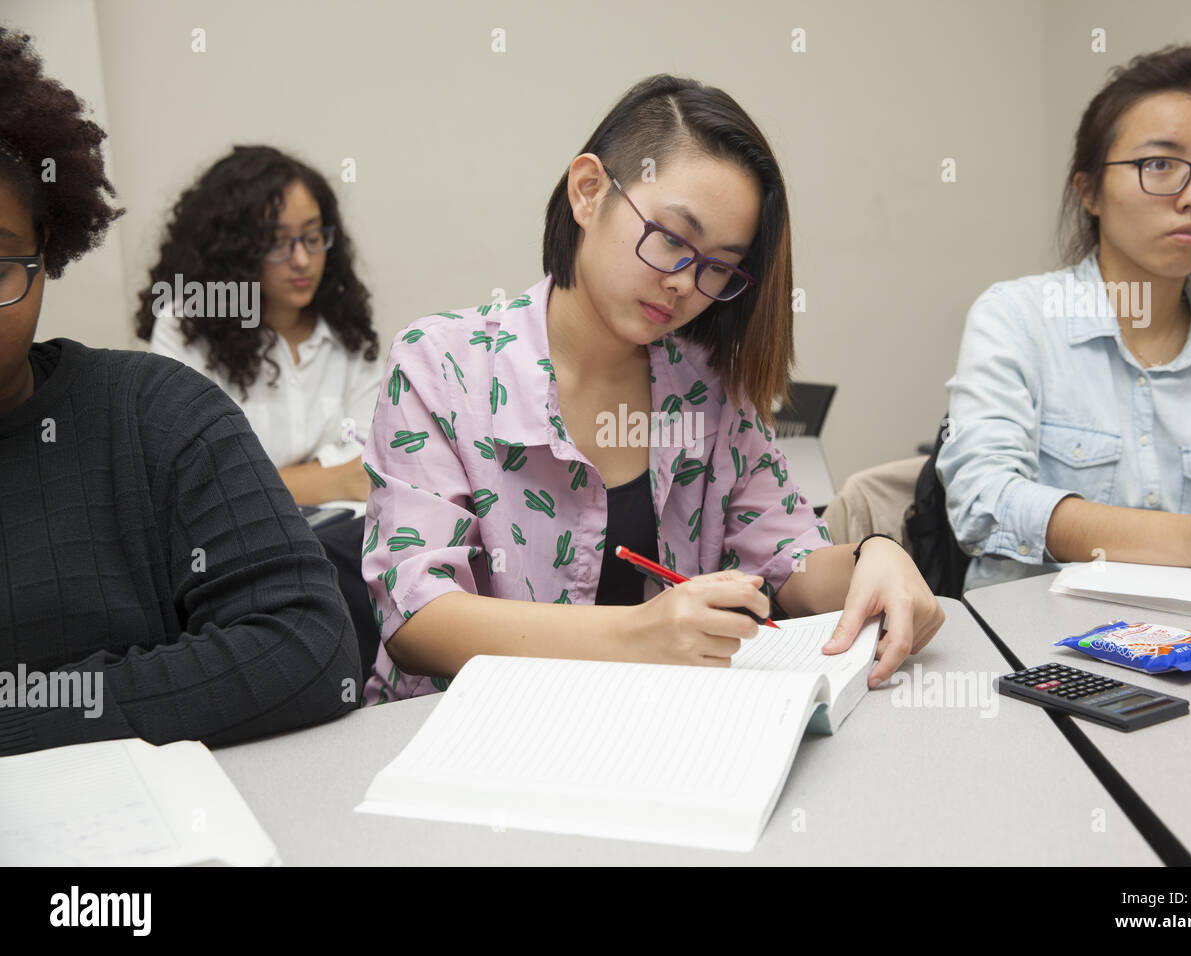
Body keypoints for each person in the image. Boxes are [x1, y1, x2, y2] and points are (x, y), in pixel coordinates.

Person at [360, 74, 944, 704]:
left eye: (718, 266)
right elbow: (418, 618)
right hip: (457, 737)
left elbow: (790, 562)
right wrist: (636, 634)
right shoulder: (443, 367)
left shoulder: (708, 388)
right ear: (588, 192)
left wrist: (875, 558)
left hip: (652, 733)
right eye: (671, 238)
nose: (685, 284)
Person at [0, 28, 361, 756]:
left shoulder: (154, 411)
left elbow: (305, 645)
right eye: (278, 240)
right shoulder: (192, 330)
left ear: (45, 250)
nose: (302, 260)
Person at [937, 45, 1191, 592]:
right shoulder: (1017, 317)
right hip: (1036, 646)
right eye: (1159, 164)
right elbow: (983, 500)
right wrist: (1188, 538)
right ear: (1089, 191)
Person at [137, 146, 382, 506]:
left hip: (347, 539)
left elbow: (369, 465)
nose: (301, 260)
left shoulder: (347, 326)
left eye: (312, 238)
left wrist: (261, 482)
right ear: (233, 251)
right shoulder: (185, 326)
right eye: (277, 242)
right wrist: (331, 480)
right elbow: (198, 485)